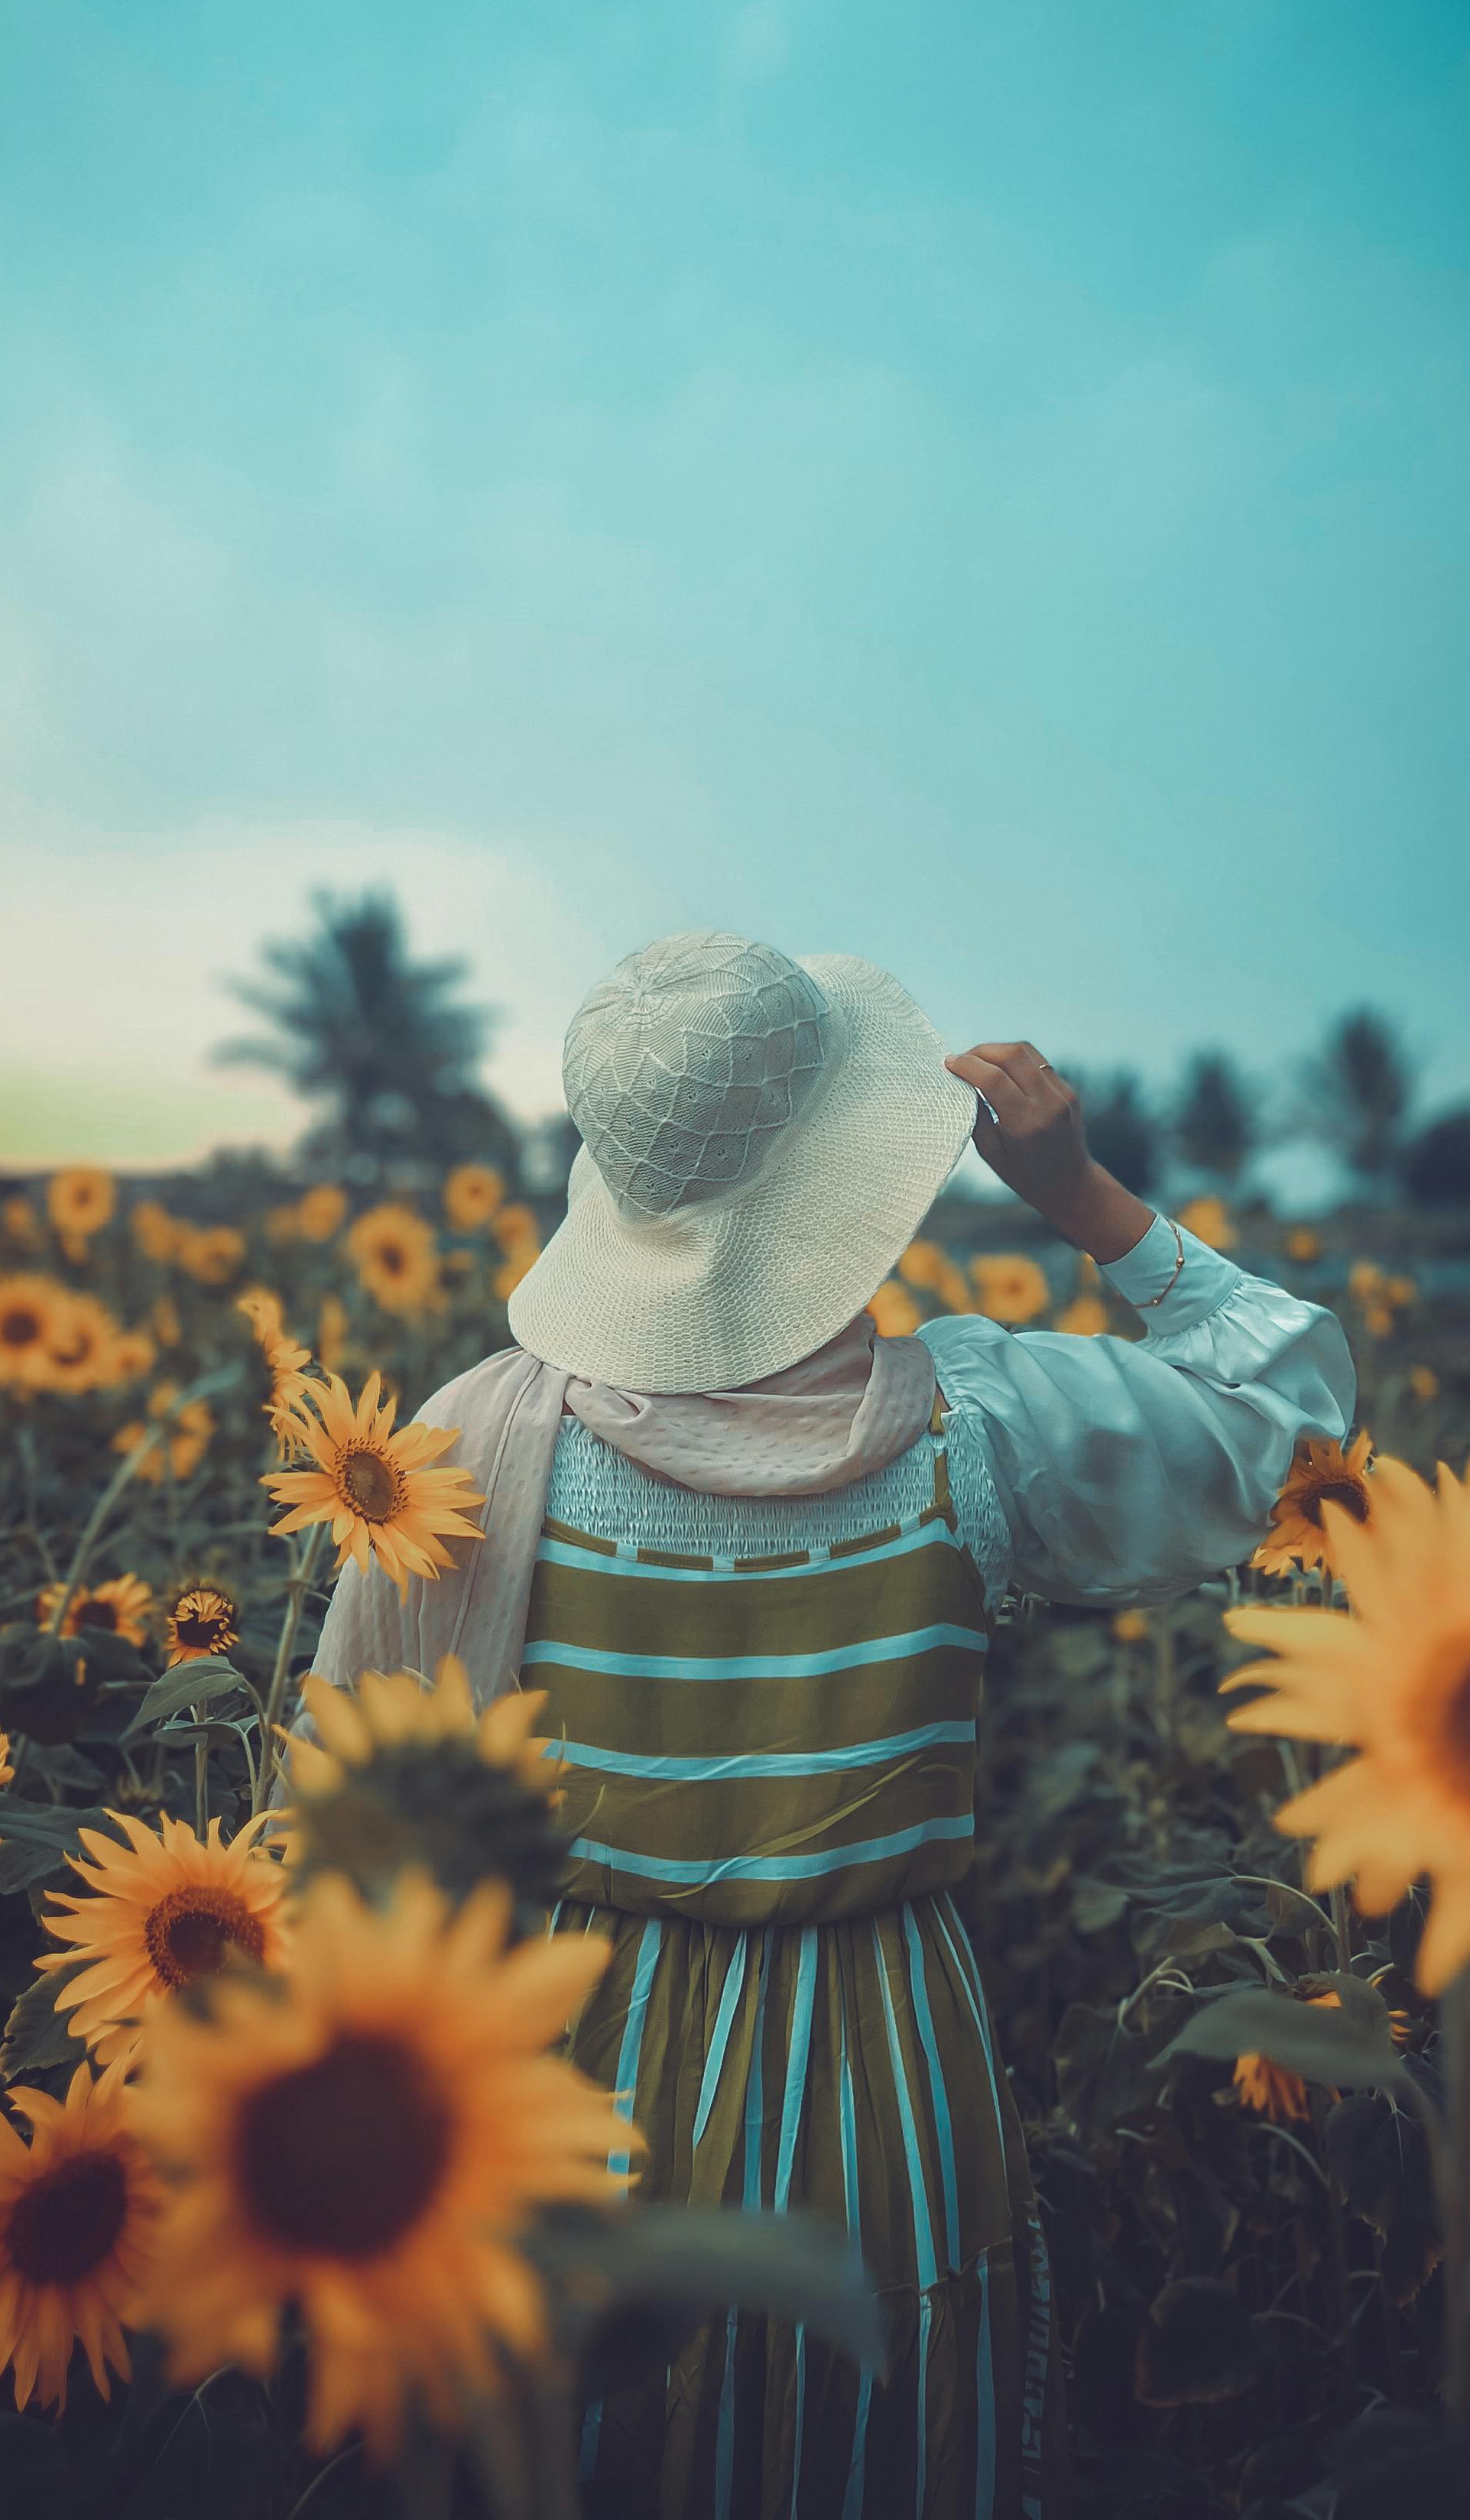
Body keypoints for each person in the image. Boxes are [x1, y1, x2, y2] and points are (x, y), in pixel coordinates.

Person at [303, 932, 1357, 2520]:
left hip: (561, 2052)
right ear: (850, 1180)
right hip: (880, 2057)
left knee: (572, 2445)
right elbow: (1295, 1427)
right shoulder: (987, 1426)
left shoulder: (475, 1434)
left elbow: (350, 1805)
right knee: (859, 2437)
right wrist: (1084, 1200)